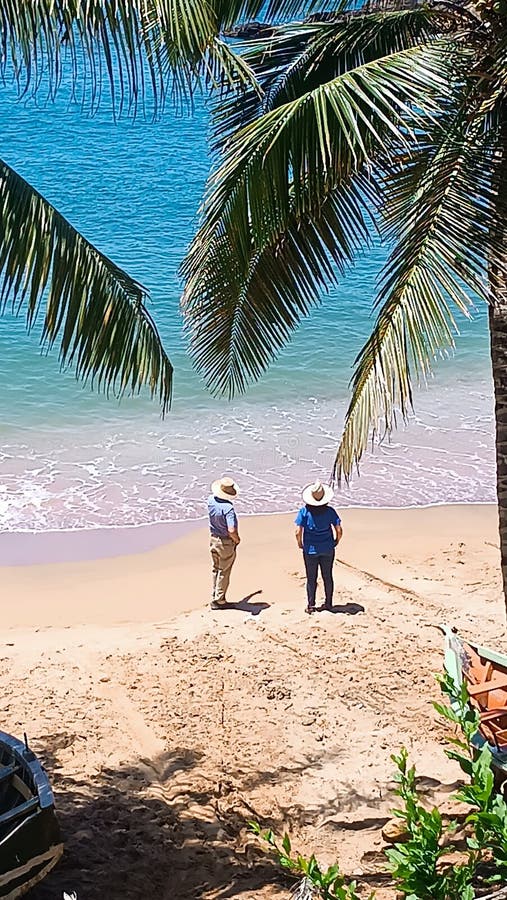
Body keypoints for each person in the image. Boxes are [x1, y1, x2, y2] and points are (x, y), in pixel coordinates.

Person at [295, 480, 342, 614]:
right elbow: (339, 530)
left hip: (310, 550)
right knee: (327, 576)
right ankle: (328, 603)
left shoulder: (304, 511)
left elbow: (298, 531)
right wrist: (336, 541)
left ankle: (311, 605)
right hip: (327, 548)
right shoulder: (330, 511)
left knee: (311, 578)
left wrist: (300, 544)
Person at [207, 475, 241, 610]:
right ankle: (219, 600)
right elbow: (231, 529)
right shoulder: (228, 508)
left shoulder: (210, 500)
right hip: (225, 542)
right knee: (224, 571)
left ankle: (215, 594)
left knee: (216, 569)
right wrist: (237, 539)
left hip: (213, 538)